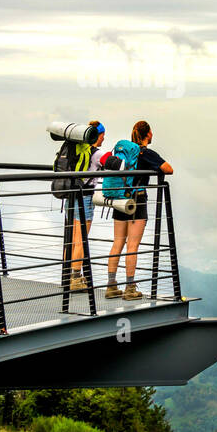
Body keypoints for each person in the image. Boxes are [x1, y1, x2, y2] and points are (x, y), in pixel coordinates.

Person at [105, 120, 174, 300]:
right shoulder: (146, 153)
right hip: (137, 200)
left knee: (118, 242)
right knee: (133, 246)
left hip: (120, 198)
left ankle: (111, 285)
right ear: (148, 134)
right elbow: (168, 169)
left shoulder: (125, 153)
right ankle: (130, 288)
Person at [68, 121, 109, 293]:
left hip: (70, 196)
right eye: (102, 135)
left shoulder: (78, 149)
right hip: (85, 197)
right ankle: (76, 279)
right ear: (97, 135)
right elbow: (114, 164)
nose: (104, 138)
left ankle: (67, 276)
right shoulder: (97, 153)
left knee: (71, 238)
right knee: (81, 240)